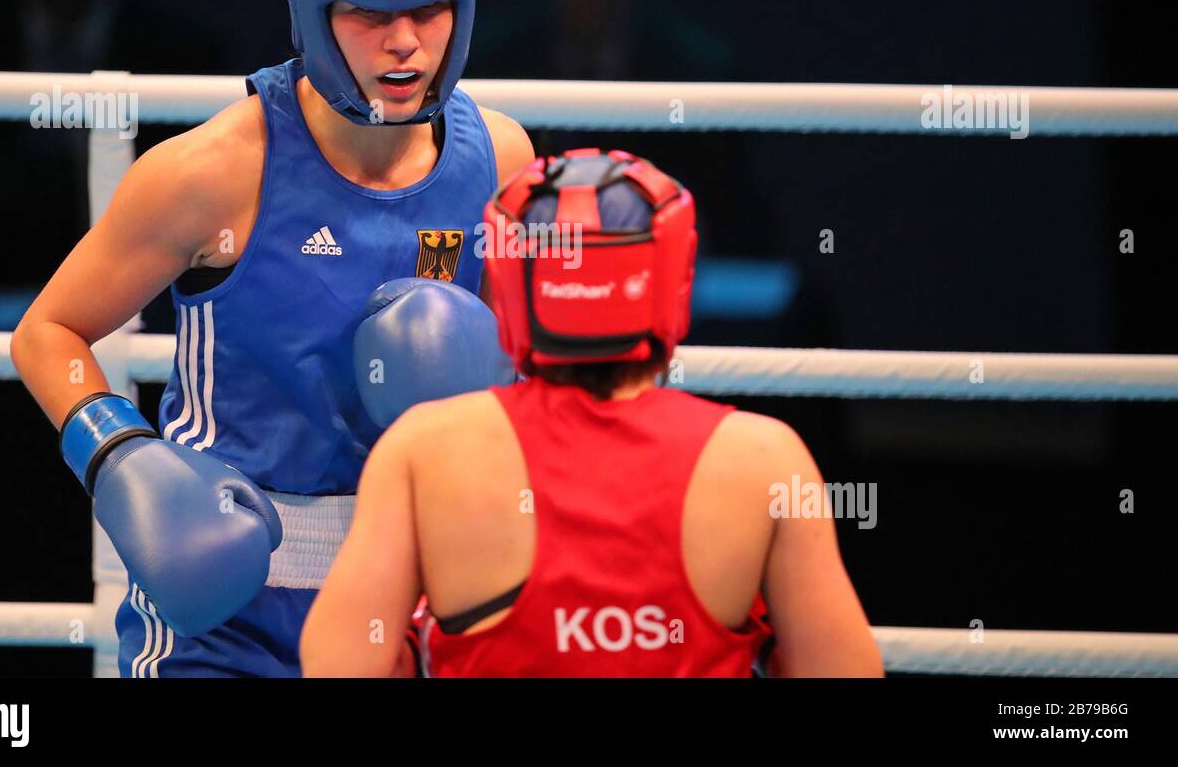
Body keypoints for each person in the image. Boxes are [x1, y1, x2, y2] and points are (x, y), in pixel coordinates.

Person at [10, 0, 533, 677]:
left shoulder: (498, 160)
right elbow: (49, 331)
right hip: (226, 609)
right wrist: (119, 454)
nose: (405, 45)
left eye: (430, 11)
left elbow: (524, 384)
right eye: (370, 13)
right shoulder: (211, 173)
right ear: (313, 5)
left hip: (410, 602)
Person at [301, 149, 882, 676]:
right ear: (673, 285)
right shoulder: (763, 458)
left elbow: (340, 665)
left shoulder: (427, 449)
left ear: (511, 283)